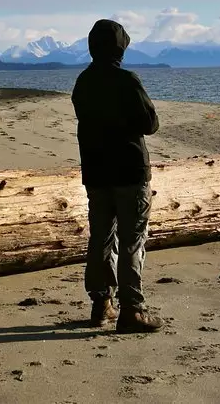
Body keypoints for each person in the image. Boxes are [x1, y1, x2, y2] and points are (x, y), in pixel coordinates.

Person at [71, 19, 163, 333]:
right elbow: (150, 123)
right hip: (130, 172)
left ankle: (101, 304)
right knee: (132, 242)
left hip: (96, 172)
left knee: (101, 239)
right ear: (120, 48)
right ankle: (132, 310)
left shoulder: (83, 82)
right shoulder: (127, 80)